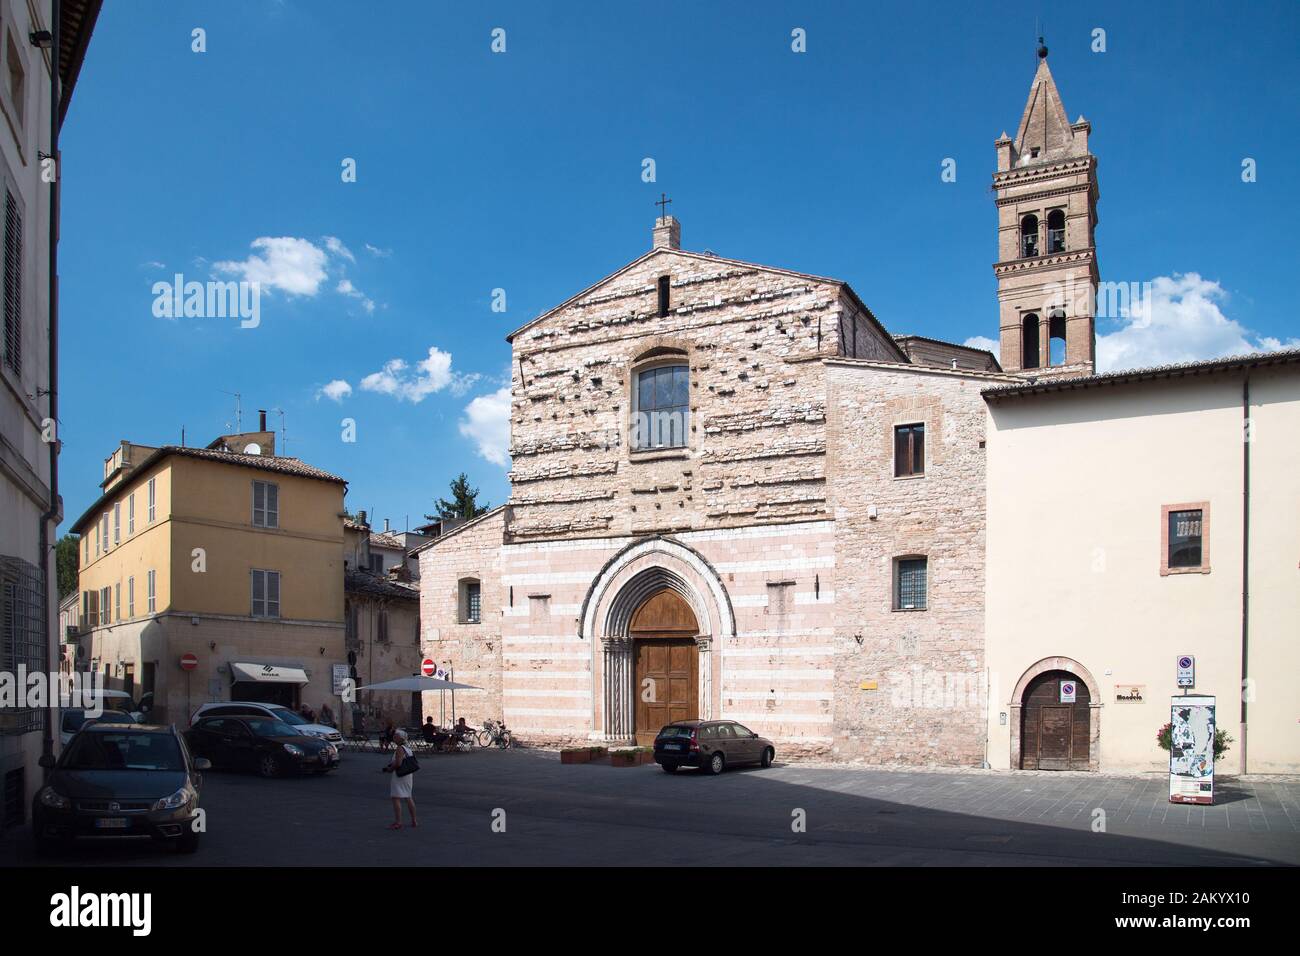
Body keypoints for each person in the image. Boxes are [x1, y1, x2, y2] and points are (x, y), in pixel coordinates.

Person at [384, 730, 418, 830]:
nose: (394, 737)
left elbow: (398, 763)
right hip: (408, 775)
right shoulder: (408, 748)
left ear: (401, 738)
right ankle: (414, 820)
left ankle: (398, 821)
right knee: (408, 796)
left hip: (400, 775)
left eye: (396, 736)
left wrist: (390, 769)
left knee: (396, 797)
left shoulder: (400, 749)